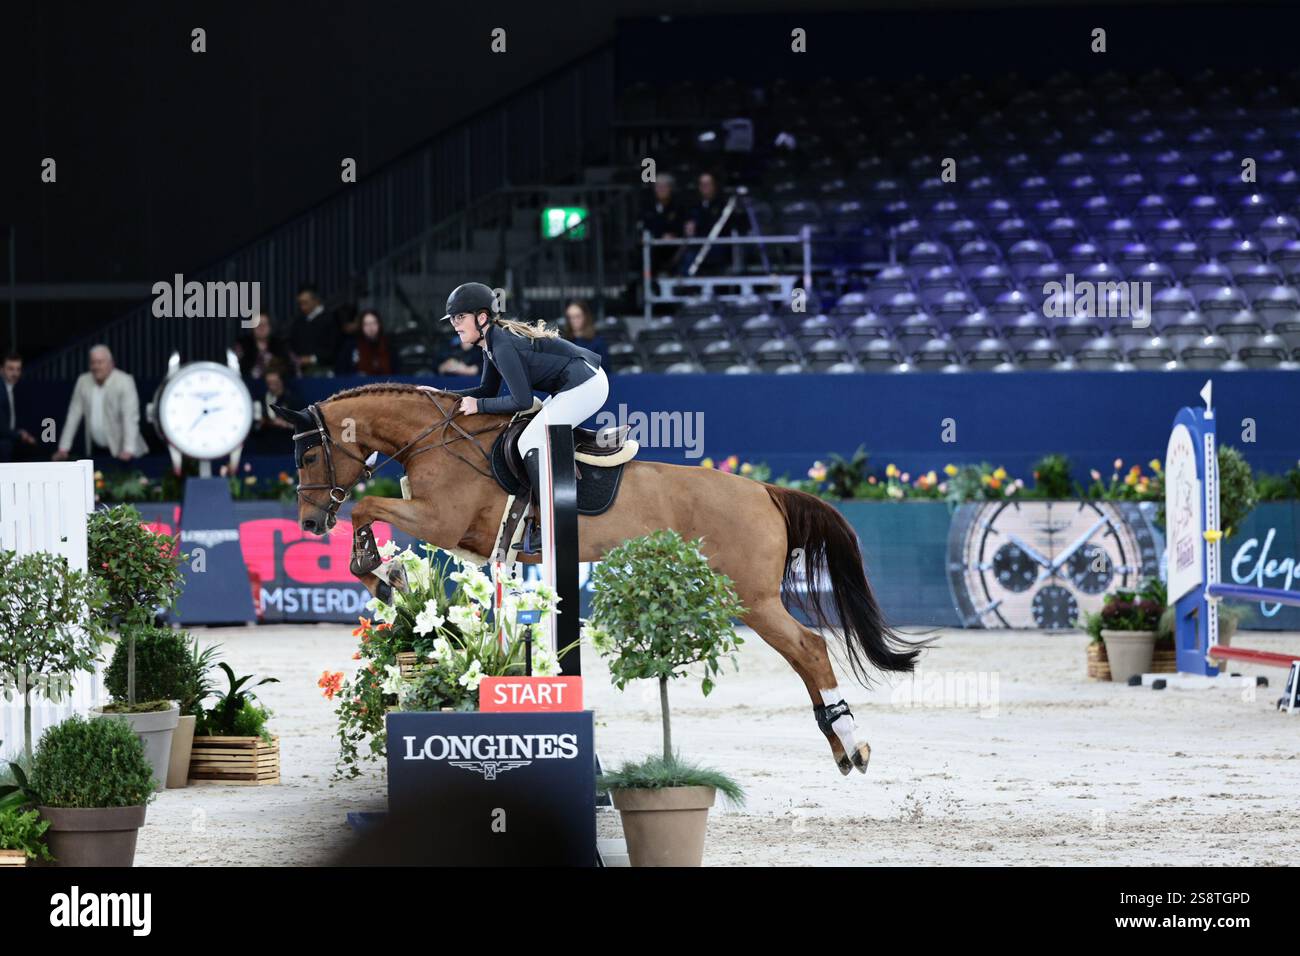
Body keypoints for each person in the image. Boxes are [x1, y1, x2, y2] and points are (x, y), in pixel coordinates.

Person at [442, 282, 608, 554]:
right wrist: (441, 395)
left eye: (460, 317)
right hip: (578, 381)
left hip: (587, 384)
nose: (454, 324)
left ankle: (552, 523)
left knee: (530, 439)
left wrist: (479, 406)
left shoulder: (502, 345)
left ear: (482, 317)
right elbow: (486, 391)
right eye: (453, 318)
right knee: (531, 434)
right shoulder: (491, 343)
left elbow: (521, 400)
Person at [51, 344, 149, 463]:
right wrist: (63, 448)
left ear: (111, 364)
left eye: (100, 362)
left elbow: (130, 417)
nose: (96, 366)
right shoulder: (83, 381)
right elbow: (73, 415)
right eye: (93, 362)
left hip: (126, 453)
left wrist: (128, 449)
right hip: (97, 450)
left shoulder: (125, 381)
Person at [684, 170, 732, 273]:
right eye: (702, 184)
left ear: (714, 186)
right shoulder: (693, 206)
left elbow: (722, 226)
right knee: (688, 256)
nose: (704, 187)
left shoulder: (723, 205)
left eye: (708, 184)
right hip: (697, 245)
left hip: (717, 245)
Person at [288, 283, 340, 376]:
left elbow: (333, 349)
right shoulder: (298, 321)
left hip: (324, 371)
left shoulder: (331, 319)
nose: (302, 307)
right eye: (300, 303)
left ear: (316, 301)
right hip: (301, 371)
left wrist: (312, 359)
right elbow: (292, 344)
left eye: (305, 303)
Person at [252, 361, 302, 452]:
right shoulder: (260, 400)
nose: (272, 387)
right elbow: (255, 427)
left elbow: (302, 426)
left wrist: (285, 424)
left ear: (281, 381)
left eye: (275, 383)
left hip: (287, 447)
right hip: (265, 447)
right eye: (269, 383)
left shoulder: (293, 400)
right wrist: (262, 422)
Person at [641, 173, 684, 275]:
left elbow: (681, 226)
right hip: (653, 247)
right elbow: (645, 226)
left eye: (664, 187)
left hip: (674, 248)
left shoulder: (678, 207)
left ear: (671, 189)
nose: (661, 190)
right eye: (658, 187)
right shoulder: (648, 207)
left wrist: (674, 235)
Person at [235, 311, 295, 381]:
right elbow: (236, 369)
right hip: (248, 386)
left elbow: (291, 367)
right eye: (258, 324)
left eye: (265, 324)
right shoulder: (242, 345)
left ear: (270, 327)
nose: (261, 327)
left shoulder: (280, 345)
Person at [0, 352, 38, 462]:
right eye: (11, 369)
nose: (15, 373)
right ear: (1, 369)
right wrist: (21, 436)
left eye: (18, 369)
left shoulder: (10, 389)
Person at [338, 309, 396, 376]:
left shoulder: (388, 346)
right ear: (361, 327)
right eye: (366, 324)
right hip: (358, 384)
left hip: (385, 384)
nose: (371, 328)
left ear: (379, 324)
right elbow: (341, 371)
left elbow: (396, 372)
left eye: (374, 323)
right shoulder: (352, 346)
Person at [560, 299, 609, 369]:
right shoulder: (565, 340)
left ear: (585, 316)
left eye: (577, 316)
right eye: (570, 317)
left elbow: (605, 370)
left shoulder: (598, 342)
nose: (573, 321)